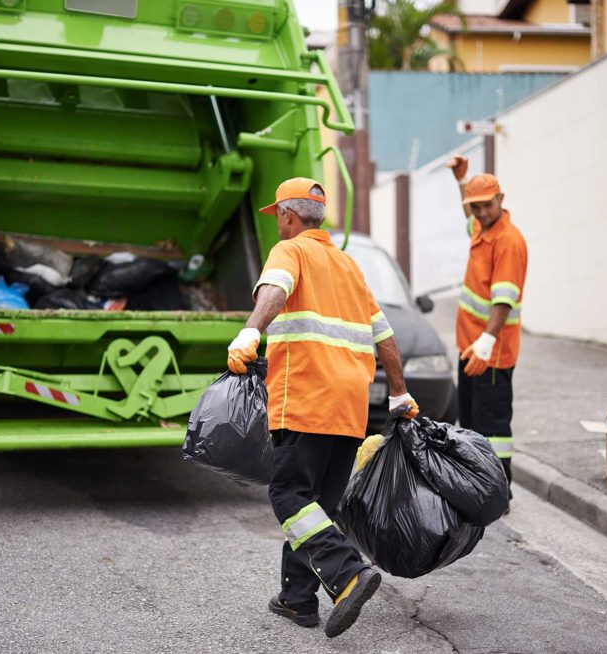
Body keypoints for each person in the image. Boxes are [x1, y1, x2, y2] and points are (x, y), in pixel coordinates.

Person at [226, 178, 419, 638]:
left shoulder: (290, 251)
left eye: (278, 218)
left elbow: (273, 291)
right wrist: (398, 393)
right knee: (316, 508)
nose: (278, 225)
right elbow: (385, 337)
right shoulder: (349, 266)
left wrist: (251, 331)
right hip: (349, 407)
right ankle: (297, 601)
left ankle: (347, 572)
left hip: (306, 398)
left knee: (289, 496)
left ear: (290, 217)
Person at [445, 156, 528, 489]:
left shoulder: (508, 242)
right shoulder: (482, 229)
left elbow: (503, 301)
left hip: (491, 354)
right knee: (471, 421)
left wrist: (485, 343)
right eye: (476, 207)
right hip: (471, 348)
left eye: (486, 206)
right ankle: (476, 484)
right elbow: (470, 215)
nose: (480, 212)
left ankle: (497, 489)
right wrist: (461, 179)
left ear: (501, 200)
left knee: (492, 426)